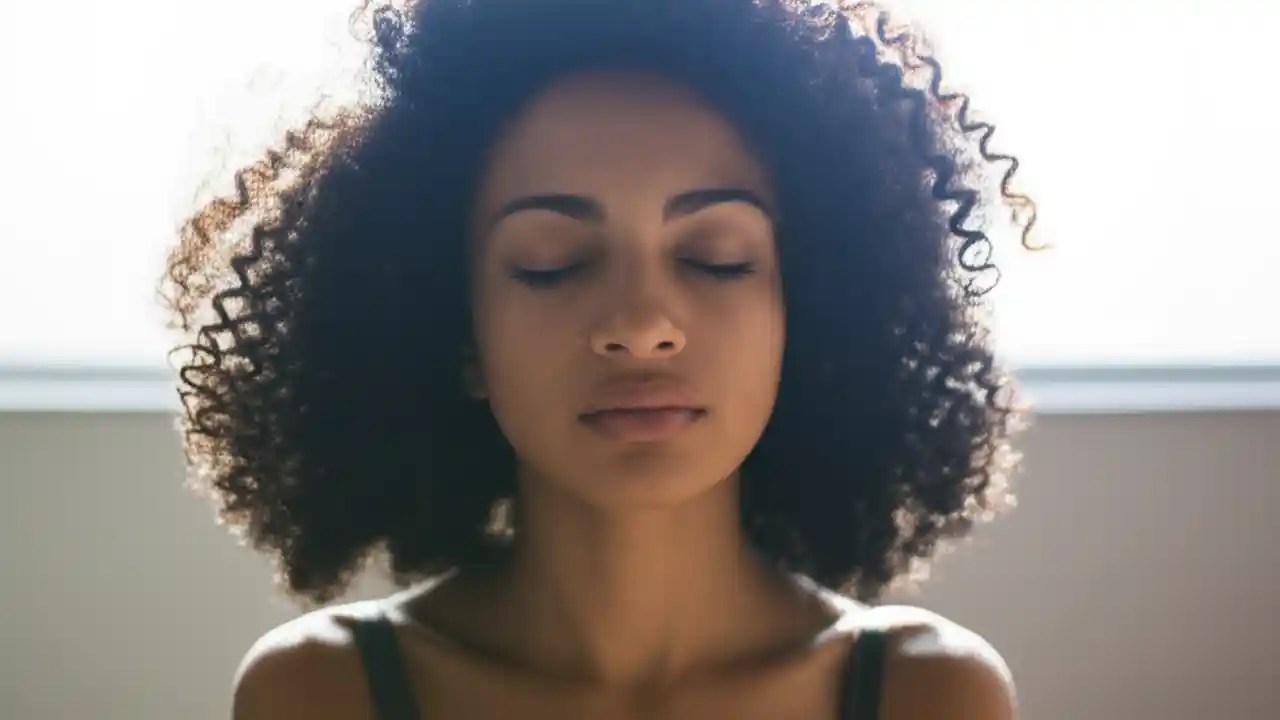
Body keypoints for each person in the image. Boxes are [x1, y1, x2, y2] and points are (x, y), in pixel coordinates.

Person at [160, 0, 1043, 717]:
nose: (642, 324)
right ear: (460, 332)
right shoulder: (322, 693)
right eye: (553, 264)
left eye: (715, 259)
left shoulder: (926, 695)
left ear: (800, 315)